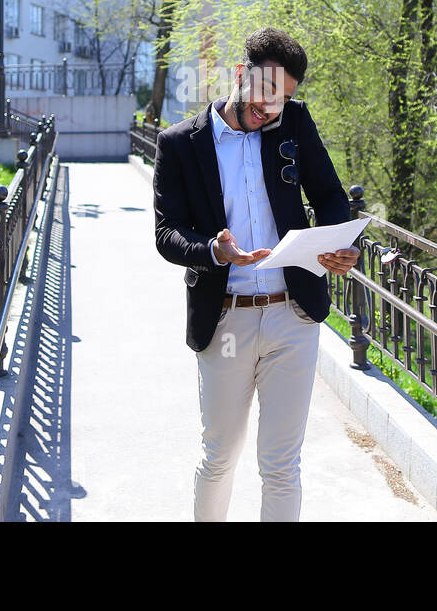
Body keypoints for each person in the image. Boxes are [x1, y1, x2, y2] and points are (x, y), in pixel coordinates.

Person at [151, 27, 360, 521]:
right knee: (220, 457)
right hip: (225, 320)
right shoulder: (180, 143)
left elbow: (330, 195)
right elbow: (166, 233)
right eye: (266, 92)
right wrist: (214, 251)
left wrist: (335, 244)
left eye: (283, 98)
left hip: (293, 317)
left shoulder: (295, 123)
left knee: (282, 465)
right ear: (241, 74)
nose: (271, 107)